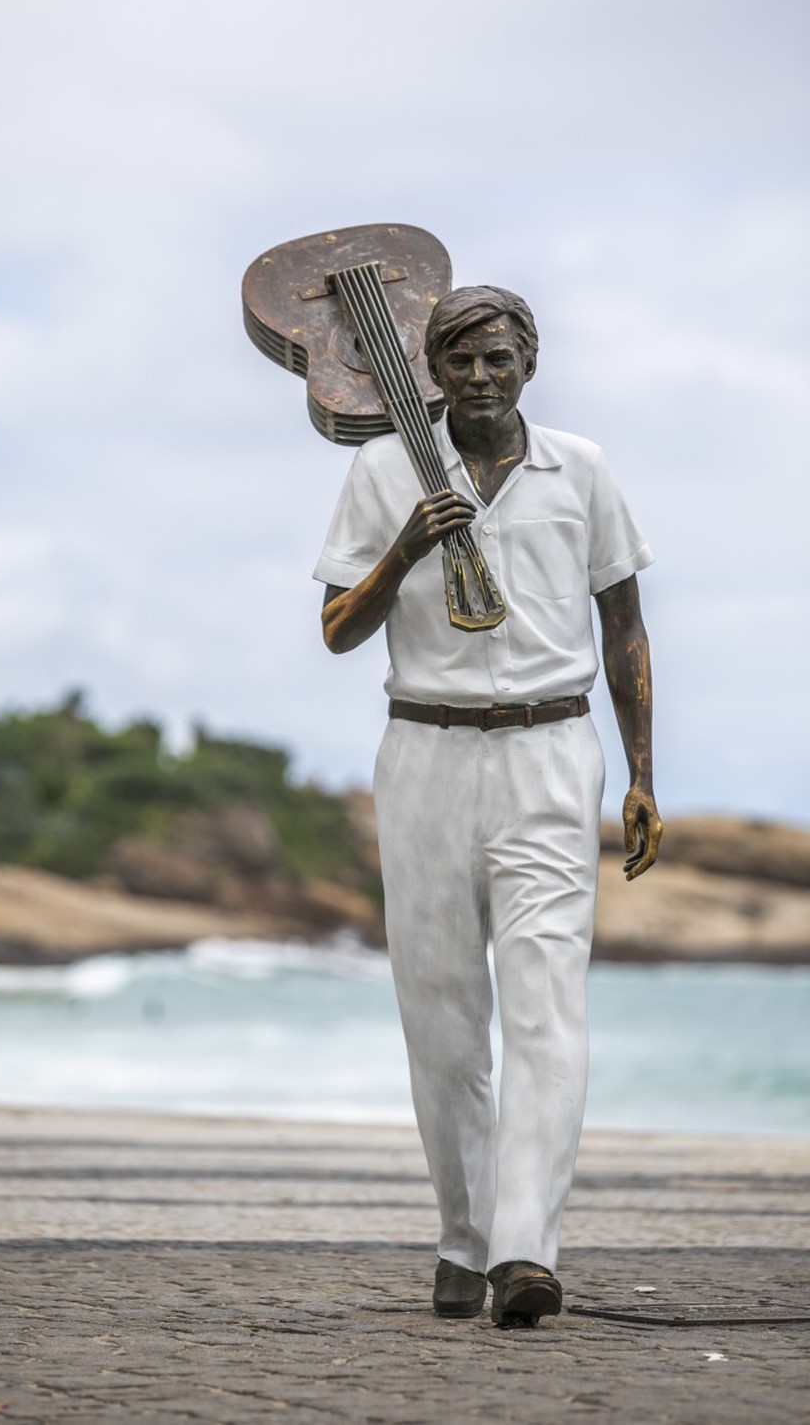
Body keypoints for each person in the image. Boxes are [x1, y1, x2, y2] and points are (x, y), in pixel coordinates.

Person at [314, 285, 661, 1328]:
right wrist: (409, 548)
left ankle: (525, 1252)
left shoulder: (581, 469)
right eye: (460, 361)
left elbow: (627, 626)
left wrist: (642, 772)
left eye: (499, 358)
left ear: (528, 364)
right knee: (444, 1016)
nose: (480, 376)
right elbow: (335, 627)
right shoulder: (381, 472)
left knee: (548, 998)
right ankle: (464, 1240)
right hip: (424, 748)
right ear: (431, 370)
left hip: (555, 750)